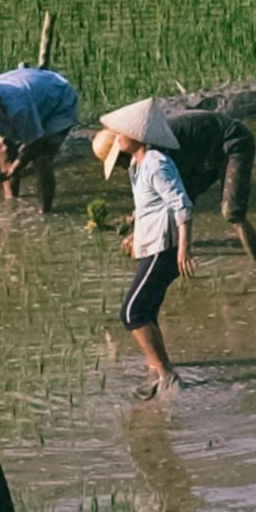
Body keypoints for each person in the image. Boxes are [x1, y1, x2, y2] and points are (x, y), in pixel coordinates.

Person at [95, 90, 256, 264]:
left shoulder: (157, 148)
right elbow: (156, 198)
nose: (122, 167)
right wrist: (137, 231)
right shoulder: (144, 150)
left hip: (233, 142)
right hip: (201, 151)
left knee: (232, 213)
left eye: (119, 162)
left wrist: (143, 234)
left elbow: (171, 201)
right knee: (180, 203)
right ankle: (175, 257)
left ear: (123, 149)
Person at [95, 105, 192, 394]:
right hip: (151, 245)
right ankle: (157, 370)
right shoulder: (138, 165)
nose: (119, 149)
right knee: (145, 310)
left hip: (165, 248)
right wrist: (135, 234)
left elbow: (182, 205)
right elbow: (149, 207)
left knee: (132, 313)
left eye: (120, 138)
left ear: (136, 136)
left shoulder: (155, 162)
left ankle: (167, 375)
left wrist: (184, 249)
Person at [0, 57, 86, 212]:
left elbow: (35, 144)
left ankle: (45, 212)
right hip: (33, 94)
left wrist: (10, 172)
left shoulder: (16, 108)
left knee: (42, 158)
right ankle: (11, 203)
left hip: (58, 101)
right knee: (3, 147)